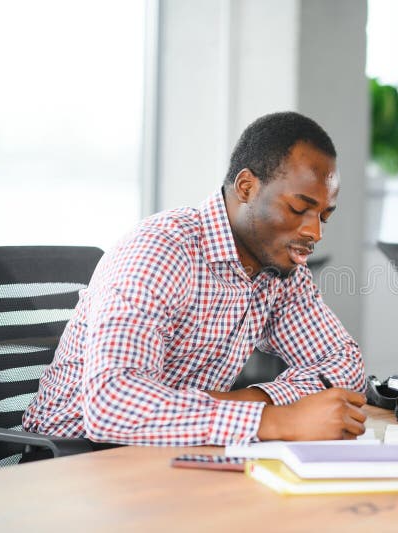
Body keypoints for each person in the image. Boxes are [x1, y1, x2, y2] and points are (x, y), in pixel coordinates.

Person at [23, 112, 367, 447]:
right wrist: (277, 420)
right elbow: (112, 404)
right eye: (298, 209)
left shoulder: (279, 268)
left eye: (324, 216)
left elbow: (344, 365)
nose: (315, 232)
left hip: (171, 452)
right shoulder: (160, 251)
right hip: (72, 457)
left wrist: (254, 400)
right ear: (246, 187)